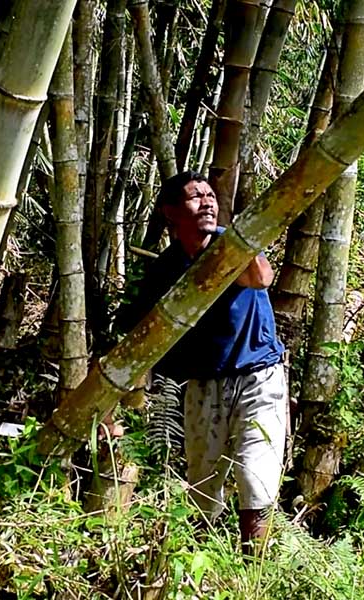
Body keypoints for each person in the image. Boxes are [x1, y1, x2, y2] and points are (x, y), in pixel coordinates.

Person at [117, 170, 287, 553]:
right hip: (204, 382)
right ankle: (201, 564)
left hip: (258, 375)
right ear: (170, 212)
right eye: (195, 197)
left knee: (254, 476)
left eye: (211, 195)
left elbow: (261, 278)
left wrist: (244, 240)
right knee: (202, 485)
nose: (208, 201)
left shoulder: (232, 245)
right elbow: (144, 333)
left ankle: (252, 569)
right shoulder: (165, 269)